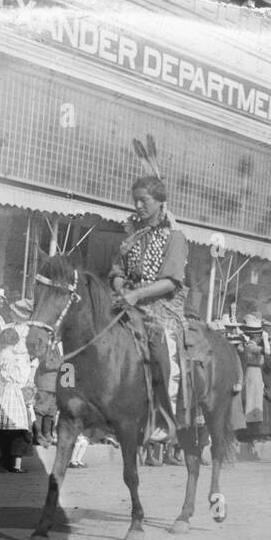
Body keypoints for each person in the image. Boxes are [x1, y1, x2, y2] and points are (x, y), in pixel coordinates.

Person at [108, 160, 191, 444]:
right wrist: (120, 287)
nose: (138, 206)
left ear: (159, 202)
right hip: (127, 301)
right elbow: (117, 270)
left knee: (160, 353)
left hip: (162, 306)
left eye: (143, 201)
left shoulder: (175, 237)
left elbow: (171, 281)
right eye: (135, 201)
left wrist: (136, 294)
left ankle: (163, 420)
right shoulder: (132, 234)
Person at [0, 327, 37, 473]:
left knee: (6, 429)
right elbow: (15, 376)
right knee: (7, 429)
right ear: (14, 342)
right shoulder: (8, 356)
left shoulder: (1, 354)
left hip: (7, 390)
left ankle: (2, 460)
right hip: (10, 391)